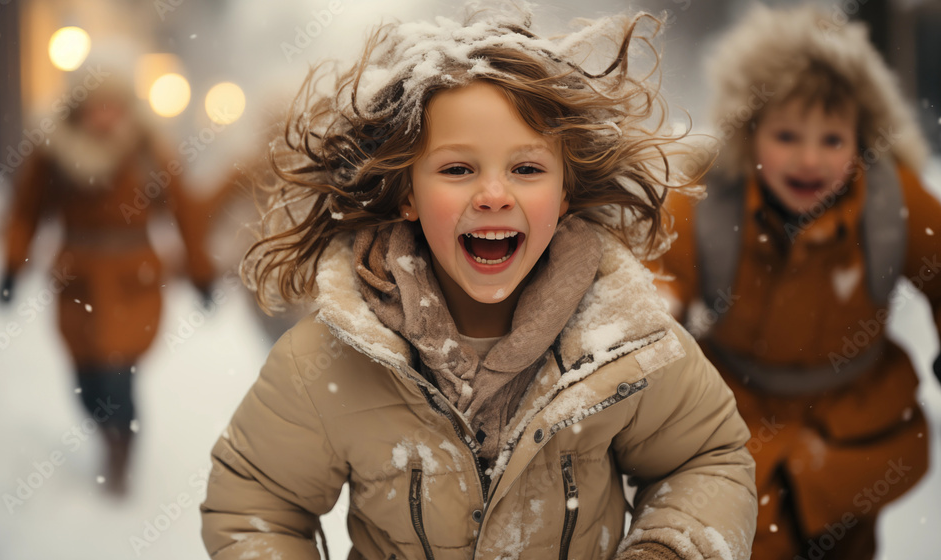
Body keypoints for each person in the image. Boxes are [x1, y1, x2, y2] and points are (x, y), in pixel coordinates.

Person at [201, 8, 756, 560]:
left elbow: (707, 458)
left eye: (527, 169)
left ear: (564, 193)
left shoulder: (621, 339)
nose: (494, 194)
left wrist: (668, 550)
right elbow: (254, 505)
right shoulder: (331, 357)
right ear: (407, 195)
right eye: (458, 170)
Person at [653, 6, 939, 560]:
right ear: (749, 132)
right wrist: (653, 329)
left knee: (845, 542)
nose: (809, 159)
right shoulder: (709, 202)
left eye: (832, 139)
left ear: (861, 138)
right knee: (743, 536)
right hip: (739, 419)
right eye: (787, 135)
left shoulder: (888, 201)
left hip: (855, 429)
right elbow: (657, 271)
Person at [0, 64, 214, 495]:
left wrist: (200, 272)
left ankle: (120, 452)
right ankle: (106, 432)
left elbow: (185, 213)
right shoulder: (53, 153)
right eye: (97, 106)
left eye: (114, 106)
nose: (105, 116)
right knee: (85, 383)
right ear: (80, 108)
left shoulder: (149, 150)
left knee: (118, 375)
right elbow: (25, 211)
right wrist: (11, 265)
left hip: (133, 282)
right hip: (76, 282)